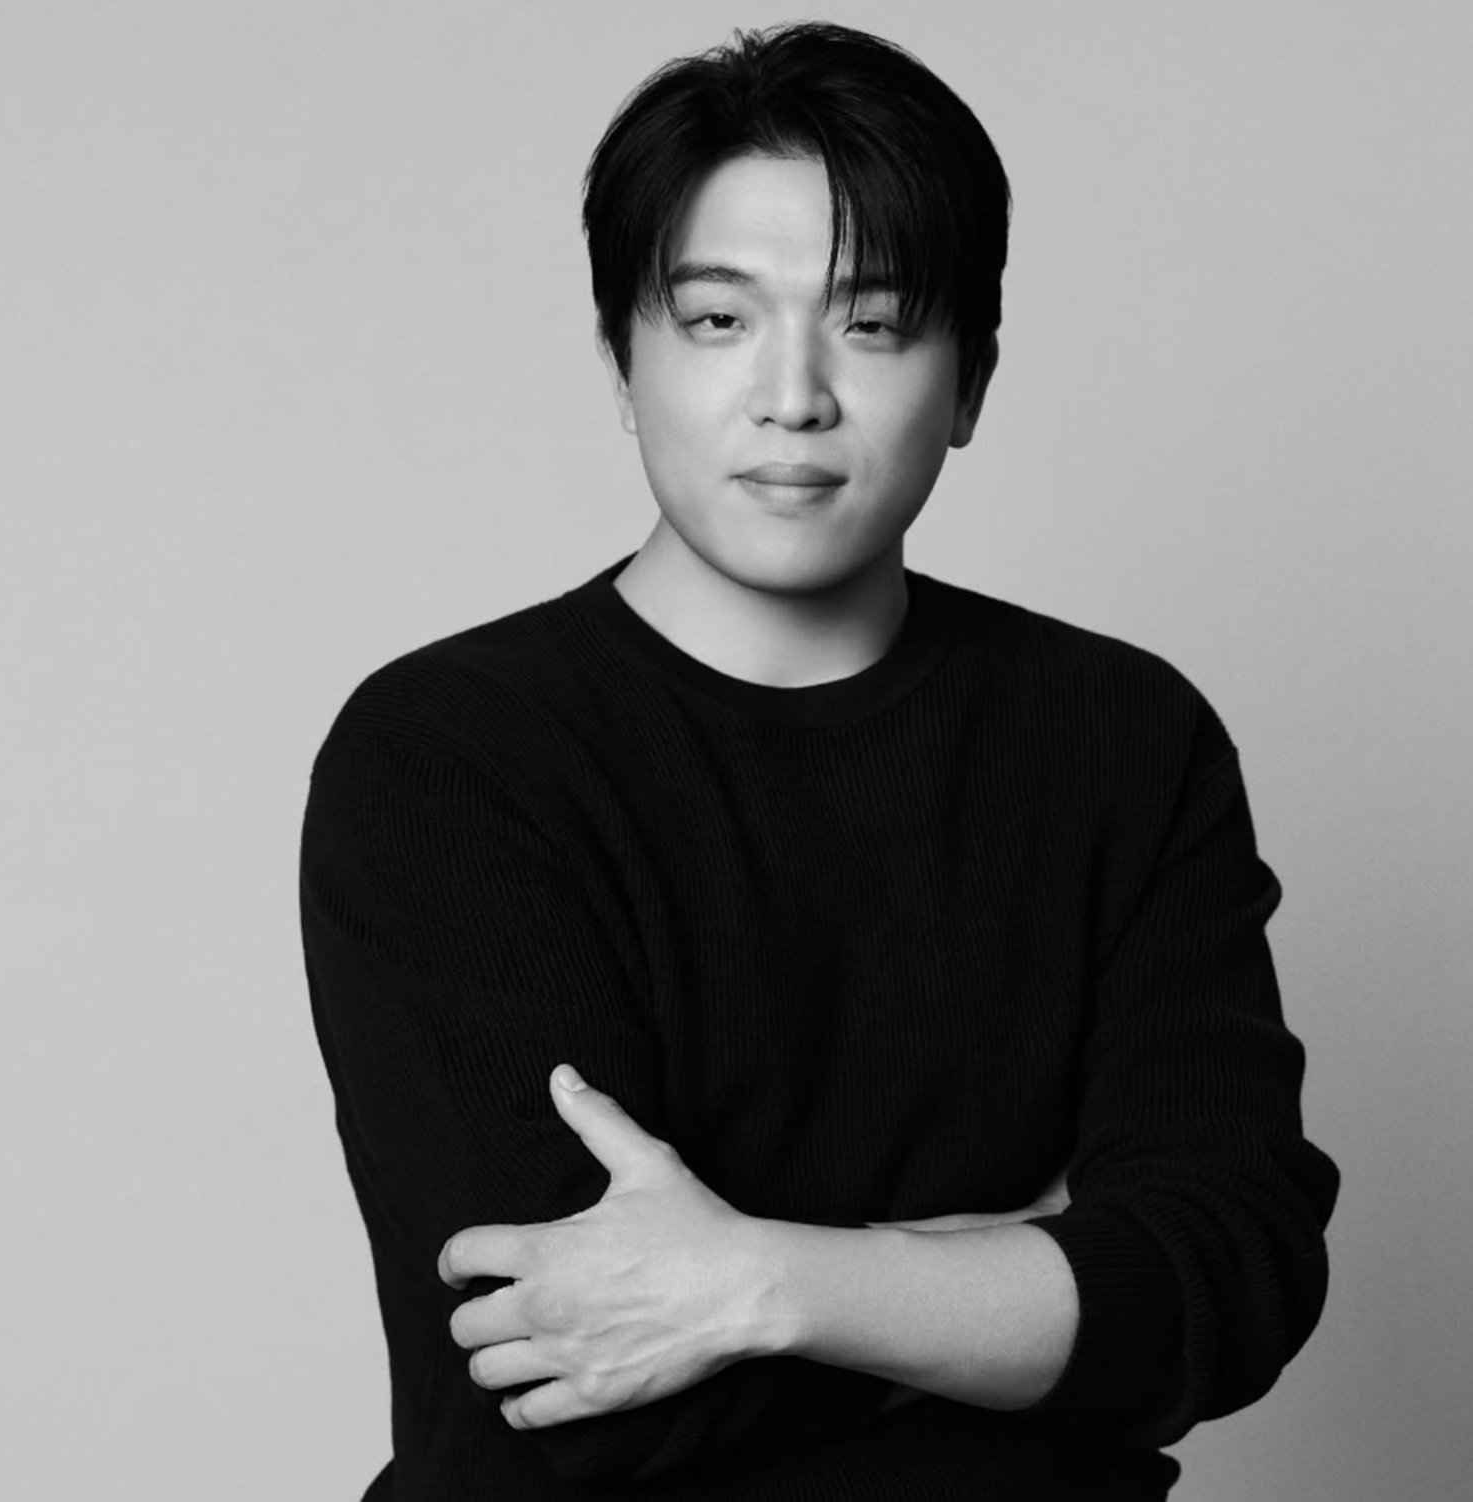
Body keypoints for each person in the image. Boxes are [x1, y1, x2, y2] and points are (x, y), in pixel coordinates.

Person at [299, 21, 1339, 1500]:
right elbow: (577, 1380)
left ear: (971, 380)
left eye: (876, 322)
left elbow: (1230, 1285)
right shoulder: (449, 757)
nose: (794, 395)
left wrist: (760, 1283)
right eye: (719, 319)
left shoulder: (1123, 735)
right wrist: (1019, 1274)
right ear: (623, 363)